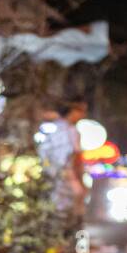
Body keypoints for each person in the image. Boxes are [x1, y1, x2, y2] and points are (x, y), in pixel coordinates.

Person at [38, 99, 89, 230]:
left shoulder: (56, 128)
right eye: (81, 111)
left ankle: (64, 241)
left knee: (60, 208)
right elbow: (75, 157)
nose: (83, 115)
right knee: (69, 208)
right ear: (72, 110)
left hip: (56, 174)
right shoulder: (67, 130)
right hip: (64, 174)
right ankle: (67, 241)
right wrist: (77, 178)